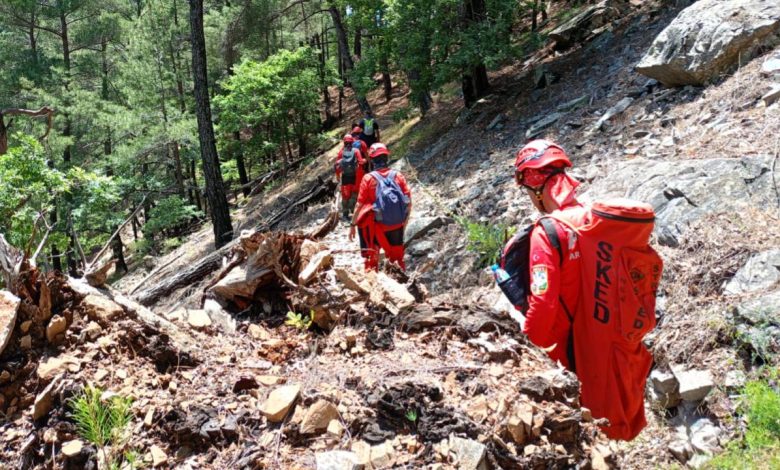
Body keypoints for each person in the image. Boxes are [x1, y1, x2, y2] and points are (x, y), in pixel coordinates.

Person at [513, 139, 587, 371]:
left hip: (572, 349)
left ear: (535, 188)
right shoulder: (592, 217)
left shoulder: (547, 232)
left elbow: (543, 303)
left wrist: (528, 349)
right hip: (611, 340)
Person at [349, 143, 411, 271]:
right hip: (397, 224)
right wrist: (403, 223)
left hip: (376, 227)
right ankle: (401, 280)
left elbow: (359, 205)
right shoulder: (398, 175)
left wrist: (353, 225)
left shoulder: (368, 178)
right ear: (386, 158)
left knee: (371, 257)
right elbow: (408, 202)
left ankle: (372, 276)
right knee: (398, 258)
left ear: (372, 160)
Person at [334, 134, 366, 220]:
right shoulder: (356, 151)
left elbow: (337, 165)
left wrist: (337, 175)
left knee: (345, 195)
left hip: (345, 176)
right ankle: (353, 211)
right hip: (356, 176)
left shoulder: (341, 152)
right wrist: (364, 160)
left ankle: (345, 214)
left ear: (344, 142)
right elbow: (361, 162)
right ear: (352, 142)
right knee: (355, 193)